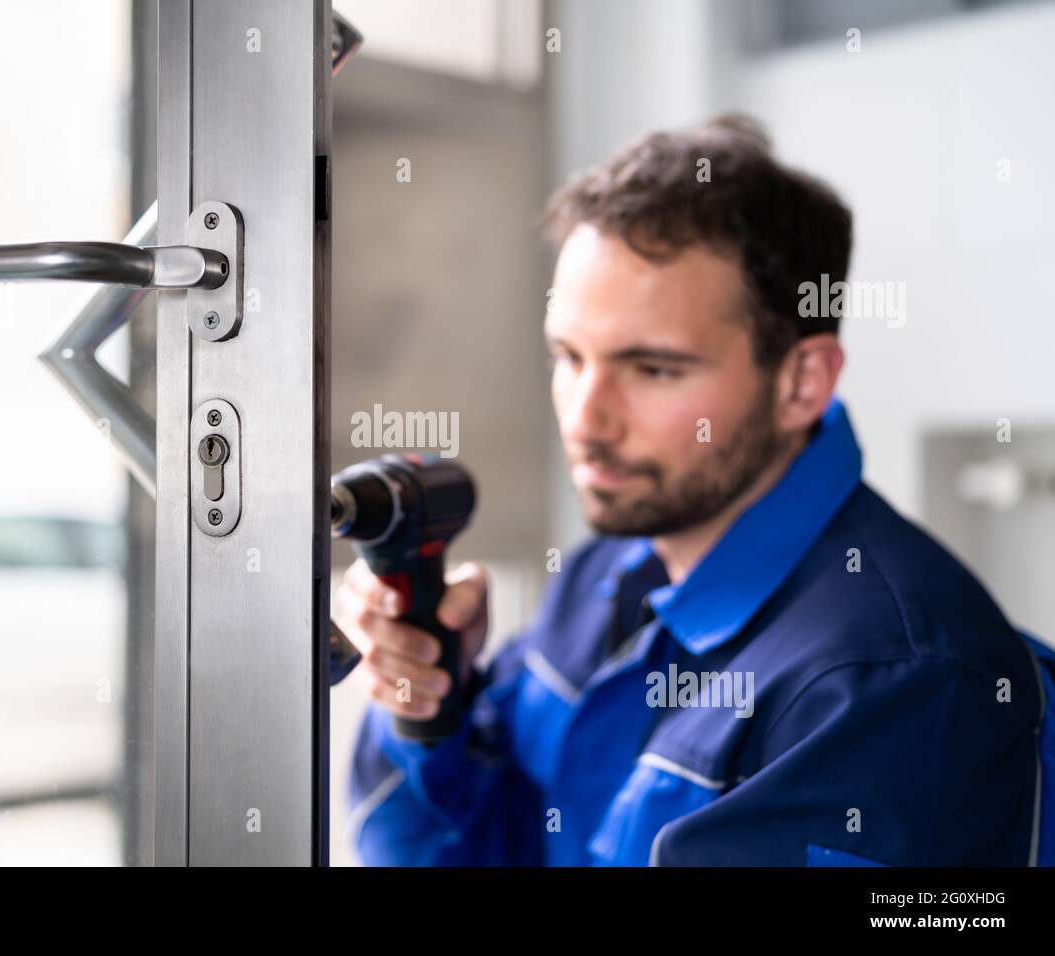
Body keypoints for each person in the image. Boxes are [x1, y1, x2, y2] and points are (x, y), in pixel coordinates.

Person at [336, 114, 1054, 866]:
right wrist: (430, 697)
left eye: (653, 369)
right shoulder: (598, 579)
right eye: (570, 357)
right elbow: (443, 849)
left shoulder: (893, 686)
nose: (585, 418)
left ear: (802, 382)